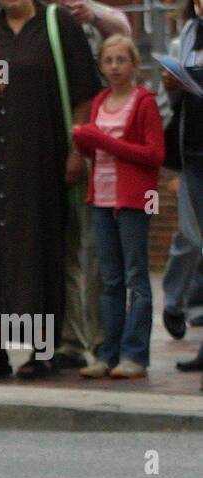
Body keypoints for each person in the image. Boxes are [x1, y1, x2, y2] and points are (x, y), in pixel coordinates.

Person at [0, 0, 101, 381]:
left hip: (39, 160)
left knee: (38, 249)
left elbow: (85, 94)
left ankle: (42, 351)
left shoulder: (58, 24)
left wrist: (77, 150)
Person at [73, 35, 164, 380]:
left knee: (136, 278)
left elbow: (154, 155)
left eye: (121, 60)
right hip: (101, 198)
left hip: (133, 200)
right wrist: (84, 141)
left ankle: (135, 354)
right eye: (108, 61)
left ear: (134, 64)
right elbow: (97, 150)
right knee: (108, 280)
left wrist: (101, 139)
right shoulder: (100, 100)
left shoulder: (144, 102)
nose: (114, 67)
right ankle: (107, 353)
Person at [54, 0, 136, 370]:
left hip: (94, 154)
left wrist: (92, 14)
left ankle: (103, 341)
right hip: (53, 148)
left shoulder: (88, 14)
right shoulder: (39, 18)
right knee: (65, 249)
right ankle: (69, 338)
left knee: (97, 254)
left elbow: (120, 30)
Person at [164, 0, 203, 377]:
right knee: (191, 236)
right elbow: (177, 105)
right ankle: (176, 304)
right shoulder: (190, 34)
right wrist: (173, 86)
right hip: (192, 152)